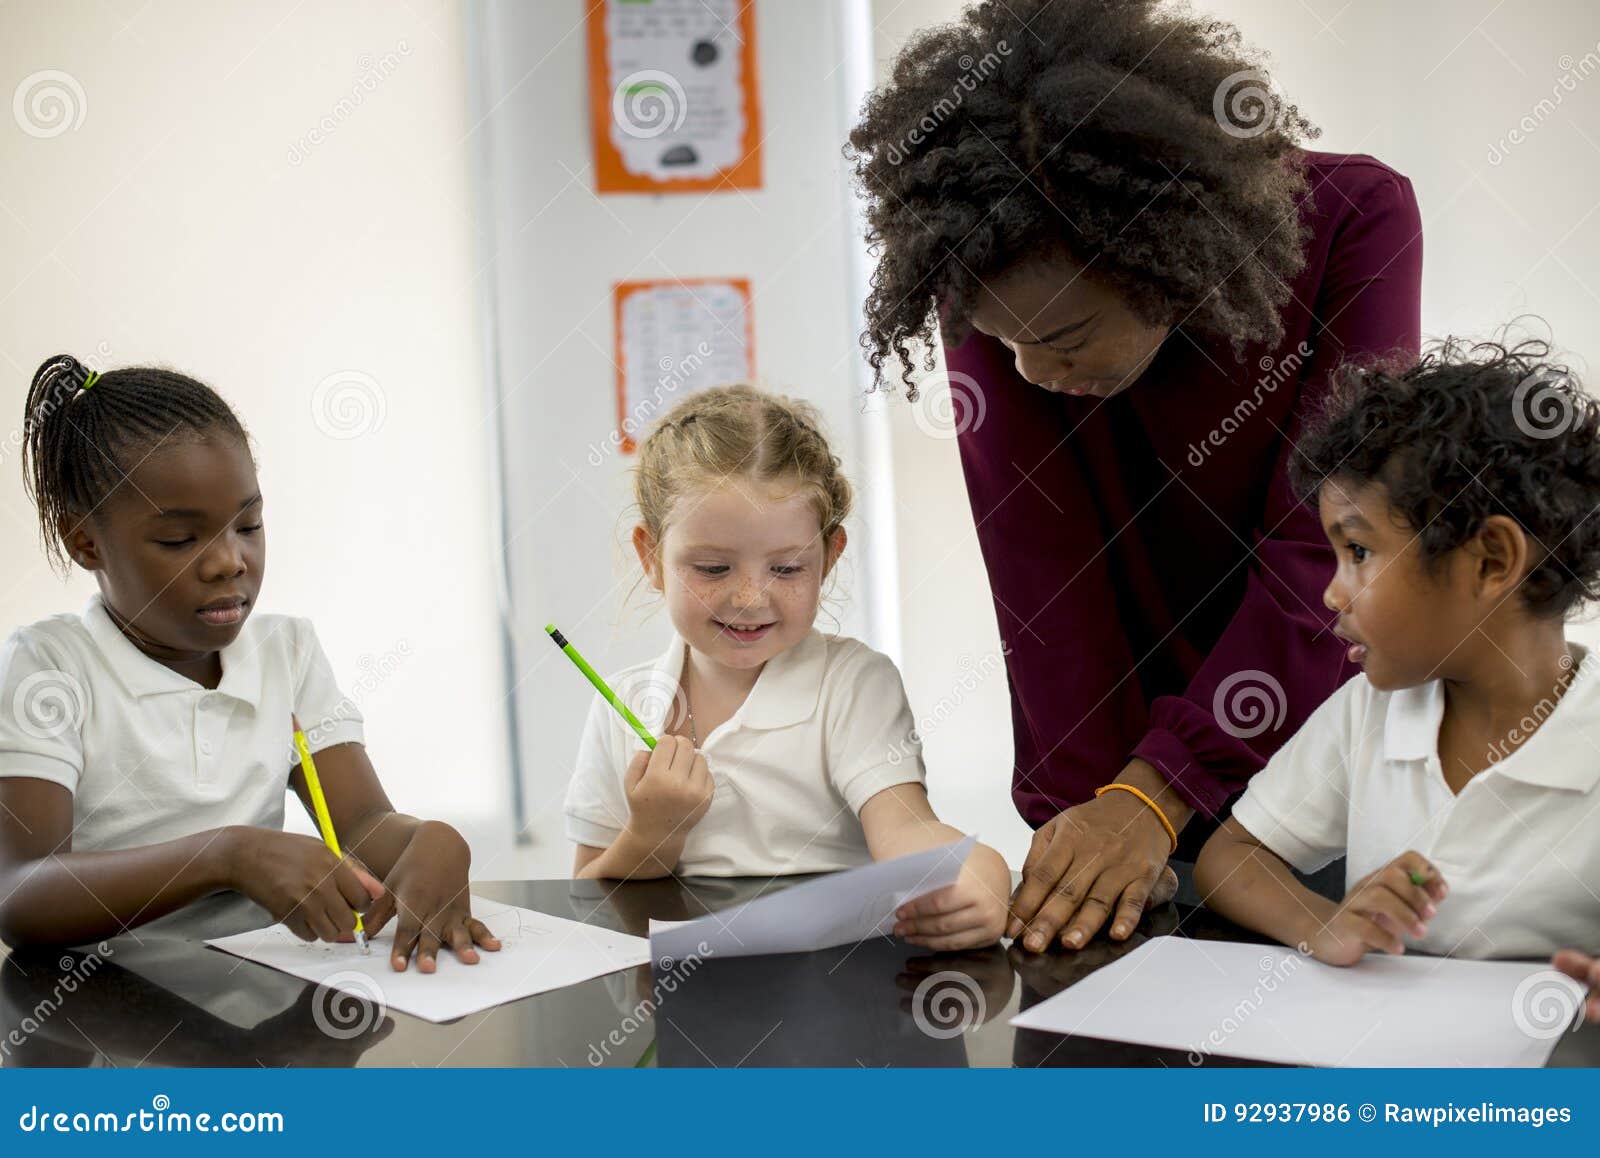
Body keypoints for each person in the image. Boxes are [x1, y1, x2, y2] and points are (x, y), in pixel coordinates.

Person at [847, 0, 1423, 951]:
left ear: (1165, 262)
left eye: (1065, 339)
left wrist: (1158, 791)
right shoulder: (986, 265)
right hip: (1115, 780)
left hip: (1317, 757)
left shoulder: (1355, 221)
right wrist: (1091, 820)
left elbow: (1322, 553)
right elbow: (1045, 578)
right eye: (1007, 345)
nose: (1035, 373)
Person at [0, 354, 494, 972]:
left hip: (257, 1000)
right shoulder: (49, 667)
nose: (230, 561)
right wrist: (224, 856)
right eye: (180, 540)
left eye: (249, 525)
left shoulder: (285, 651)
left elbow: (364, 824)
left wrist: (428, 841)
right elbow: (20, 895)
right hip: (104, 1022)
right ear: (86, 542)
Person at [563, 384, 1012, 951]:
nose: (750, 598)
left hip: (835, 992)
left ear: (829, 557)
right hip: (685, 1003)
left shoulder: (852, 683)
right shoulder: (623, 701)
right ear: (651, 558)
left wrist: (977, 869)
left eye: (786, 569)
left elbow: (904, 827)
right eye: (711, 568)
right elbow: (587, 892)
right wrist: (656, 834)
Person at [1195, 339, 1600, 963]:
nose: (1331, 593)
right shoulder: (1365, 715)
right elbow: (1229, 859)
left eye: (1358, 552)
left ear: (1491, 561)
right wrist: (1326, 923)